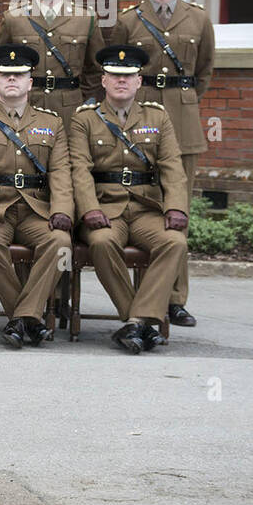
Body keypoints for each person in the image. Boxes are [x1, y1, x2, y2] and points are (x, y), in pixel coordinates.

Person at [112, 0, 214, 328]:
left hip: (183, 118)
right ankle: (142, 295)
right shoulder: (129, 19)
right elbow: (119, 73)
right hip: (137, 119)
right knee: (139, 202)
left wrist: (182, 100)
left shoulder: (198, 18)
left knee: (177, 209)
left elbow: (204, 72)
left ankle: (174, 298)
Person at [68, 44, 189, 354]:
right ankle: (140, 320)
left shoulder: (158, 117)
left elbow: (173, 169)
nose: (121, 81)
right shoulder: (85, 119)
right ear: (103, 81)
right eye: (114, 75)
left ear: (139, 81)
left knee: (174, 242)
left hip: (145, 209)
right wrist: (90, 209)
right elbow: (79, 171)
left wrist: (175, 207)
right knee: (102, 241)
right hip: (104, 209)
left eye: (128, 76)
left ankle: (136, 321)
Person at [0, 45, 74, 348]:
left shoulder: (52, 123)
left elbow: (61, 172)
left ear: (30, 82)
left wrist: (61, 209)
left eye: (19, 75)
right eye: (5, 75)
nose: (12, 79)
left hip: (36, 209)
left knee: (61, 243)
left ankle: (20, 318)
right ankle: (28, 317)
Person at [0, 0, 103, 124]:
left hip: (70, 108)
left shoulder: (85, 18)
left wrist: (85, 101)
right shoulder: (14, 18)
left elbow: (96, 68)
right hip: (26, 106)